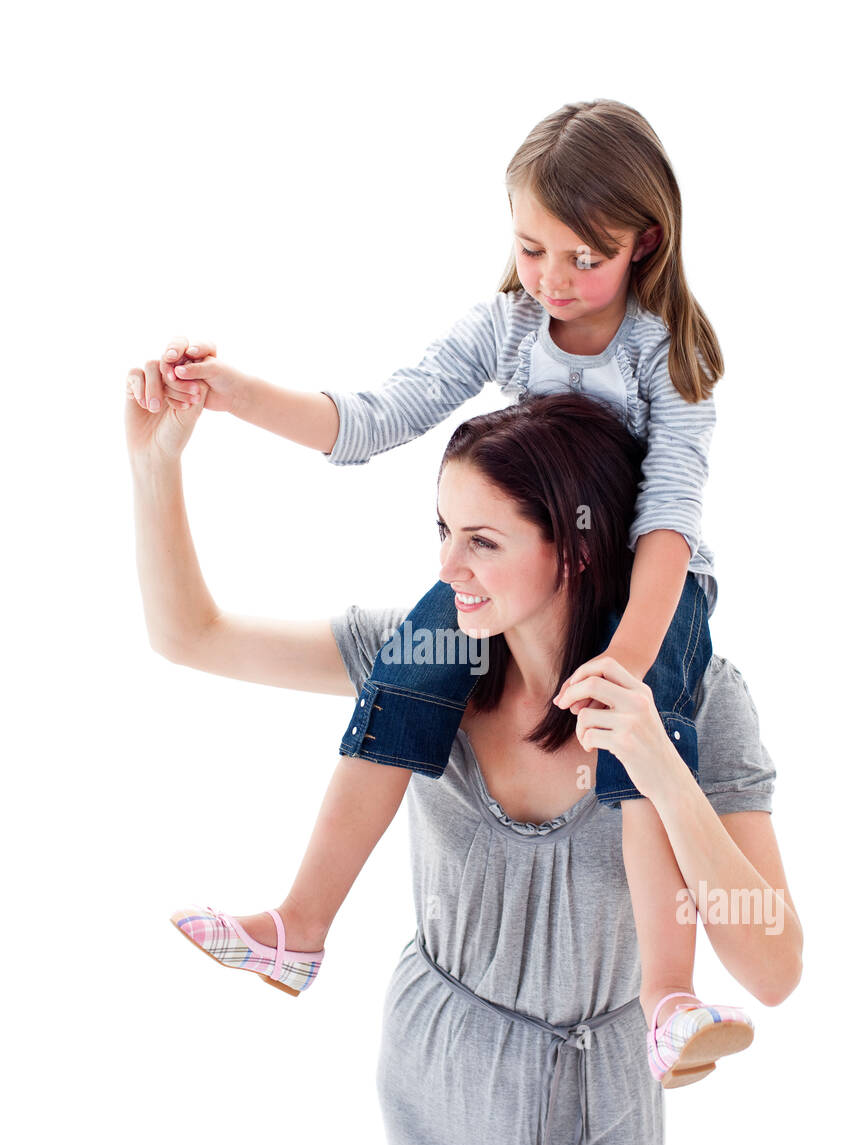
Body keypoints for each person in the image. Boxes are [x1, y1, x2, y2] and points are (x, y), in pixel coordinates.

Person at [124, 378, 803, 1145]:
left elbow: (772, 965)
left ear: (577, 547)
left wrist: (659, 764)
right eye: (442, 532)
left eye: (482, 541)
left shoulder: (699, 701)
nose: (450, 570)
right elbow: (190, 635)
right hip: (434, 1068)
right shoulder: (425, 664)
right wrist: (154, 462)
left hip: (594, 1105)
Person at [141, 98, 749, 1082]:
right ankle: (300, 925)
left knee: (647, 749)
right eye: (532, 249)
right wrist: (230, 391)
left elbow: (669, 522)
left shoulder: (666, 354)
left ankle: (669, 997)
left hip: (644, 587)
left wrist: (627, 668)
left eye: (583, 258)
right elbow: (377, 417)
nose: (553, 280)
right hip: (536, 572)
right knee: (406, 679)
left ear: (645, 241)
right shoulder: (510, 325)